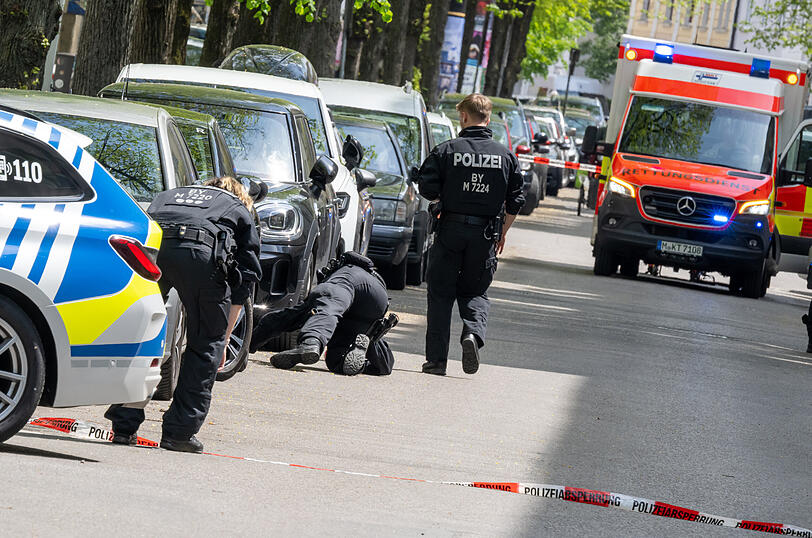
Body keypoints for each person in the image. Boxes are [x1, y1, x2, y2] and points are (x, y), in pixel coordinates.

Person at [105, 176, 262, 453]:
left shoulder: (169, 195)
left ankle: (124, 425)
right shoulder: (237, 206)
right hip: (201, 256)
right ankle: (179, 432)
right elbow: (245, 279)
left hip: (154, 250)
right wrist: (223, 339)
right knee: (204, 345)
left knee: (144, 334)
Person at [417, 93, 524, 376]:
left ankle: (437, 361)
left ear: (463, 117)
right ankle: (473, 335)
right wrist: (501, 232)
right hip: (485, 234)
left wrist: (443, 195)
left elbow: (427, 188)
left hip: (450, 229)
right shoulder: (505, 156)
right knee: (475, 291)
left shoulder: (446, 150)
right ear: (488, 119)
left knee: (440, 295)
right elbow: (516, 200)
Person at [250, 252, 397, 376]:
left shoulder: (339, 277)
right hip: (376, 303)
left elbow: (286, 318)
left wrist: (251, 341)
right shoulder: (365, 276)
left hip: (348, 286)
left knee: (323, 307)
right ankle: (376, 361)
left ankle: (311, 343)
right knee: (336, 360)